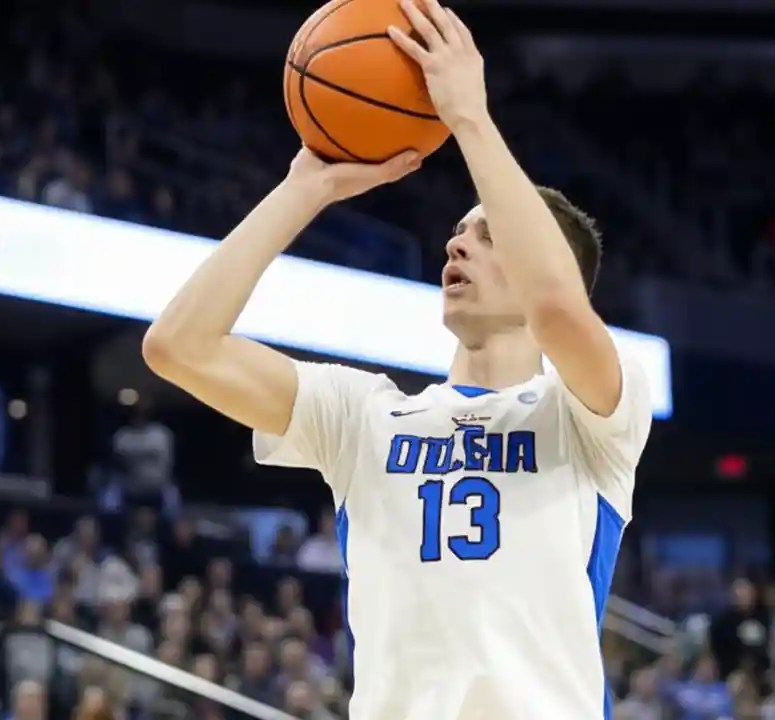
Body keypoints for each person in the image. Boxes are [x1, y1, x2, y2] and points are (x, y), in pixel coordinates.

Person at [142, 1, 652, 718]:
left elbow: (560, 310)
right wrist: (303, 189)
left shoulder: (595, 419)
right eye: (456, 234)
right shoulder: (365, 415)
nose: (457, 245)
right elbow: (177, 346)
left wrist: (470, 117)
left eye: (488, 236)